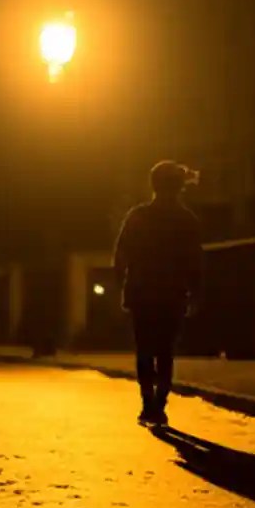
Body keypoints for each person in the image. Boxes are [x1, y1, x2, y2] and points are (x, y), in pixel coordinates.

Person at [113, 160, 204, 426]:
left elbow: (121, 253)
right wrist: (196, 293)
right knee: (166, 351)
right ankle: (160, 403)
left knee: (144, 350)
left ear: (153, 185)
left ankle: (147, 401)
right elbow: (194, 260)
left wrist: (121, 284)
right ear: (179, 187)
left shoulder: (138, 216)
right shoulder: (187, 219)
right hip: (172, 294)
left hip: (141, 292)